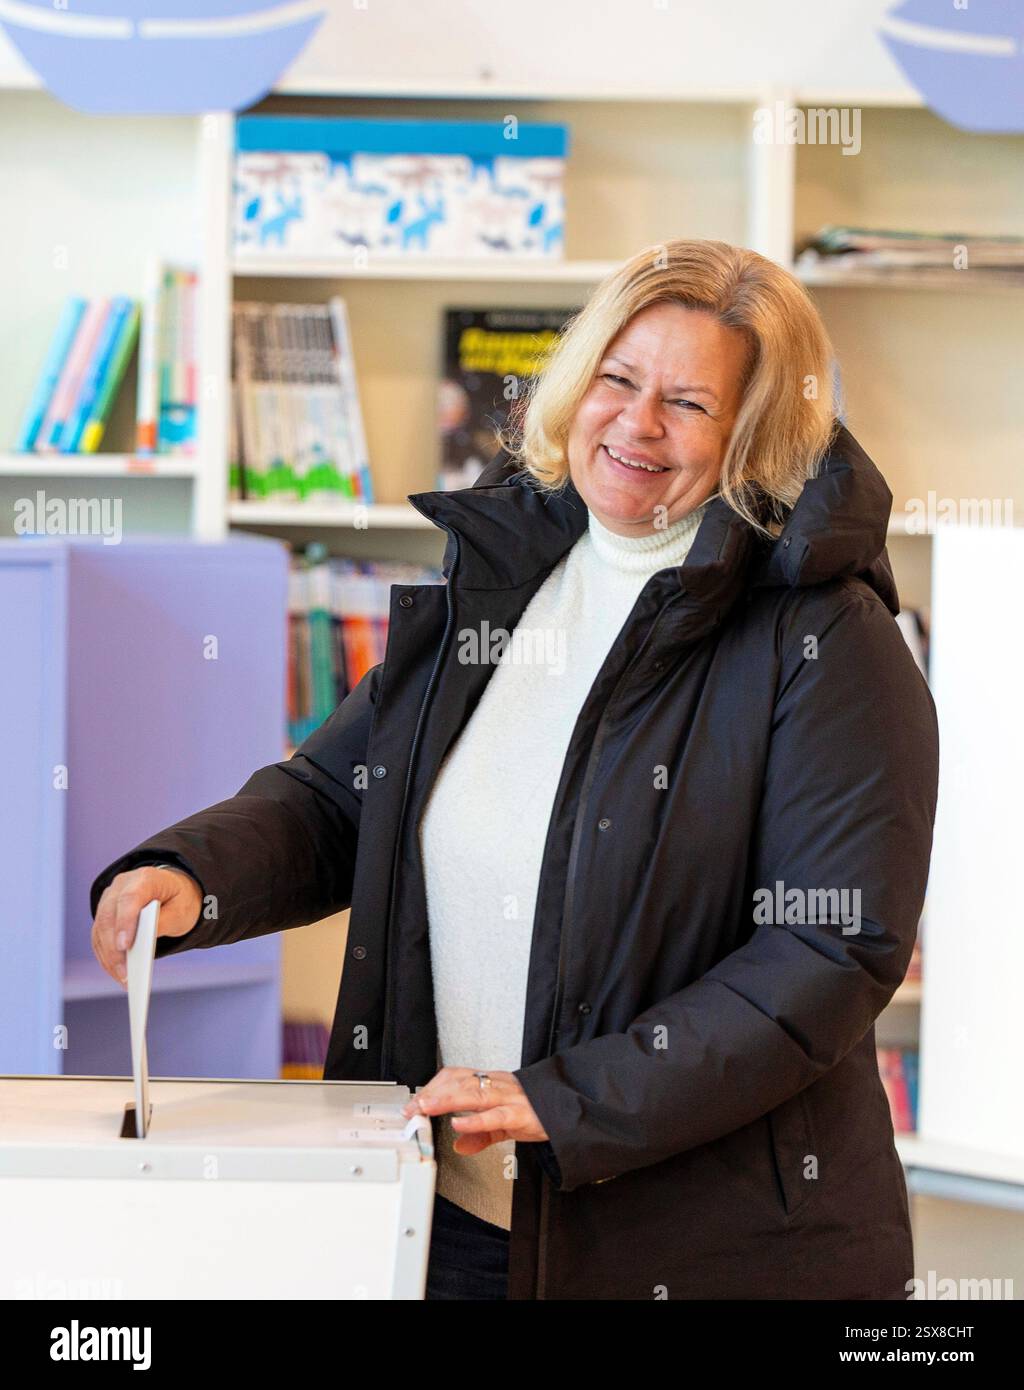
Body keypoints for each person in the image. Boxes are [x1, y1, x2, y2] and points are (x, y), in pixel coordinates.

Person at [91, 238, 939, 1301]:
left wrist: (569, 1099)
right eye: (617, 379)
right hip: (445, 1215)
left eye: (688, 403)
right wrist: (191, 875)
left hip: (705, 1255)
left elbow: (828, 948)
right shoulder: (504, 577)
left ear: (754, 435)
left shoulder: (828, 637)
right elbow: (341, 797)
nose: (636, 423)